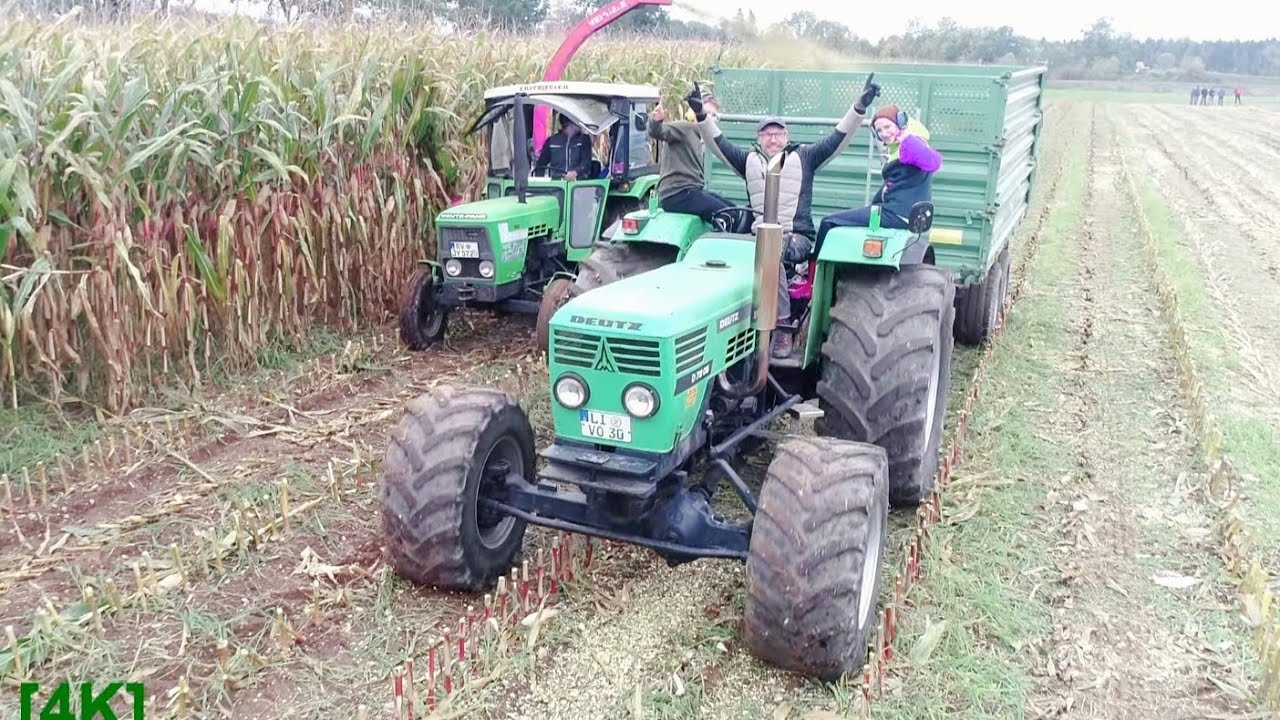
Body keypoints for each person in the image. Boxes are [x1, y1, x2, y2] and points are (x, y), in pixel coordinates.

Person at [693, 75, 881, 359]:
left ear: (786, 136)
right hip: (756, 236)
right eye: (766, 134)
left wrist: (858, 107)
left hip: (796, 237)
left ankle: (779, 326)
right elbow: (717, 142)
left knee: (772, 250)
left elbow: (838, 139)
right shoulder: (748, 161)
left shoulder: (805, 157)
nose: (772, 138)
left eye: (777, 133)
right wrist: (700, 113)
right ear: (758, 139)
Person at [814, 105, 943, 257]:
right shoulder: (896, 149)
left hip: (897, 214)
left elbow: (934, 163)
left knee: (829, 222)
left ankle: (811, 272)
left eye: (888, 127)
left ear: (901, 124)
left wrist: (907, 140)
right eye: (879, 131)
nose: (884, 134)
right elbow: (889, 187)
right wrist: (872, 208)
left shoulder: (910, 144)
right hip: (894, 211)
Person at [646, 87, 735, 226]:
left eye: (713, 115)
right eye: (707, 113)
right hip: (677, 193)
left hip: (692, 191)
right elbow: (659, 131)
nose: (710, 118)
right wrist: (656, 121)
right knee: (726, 215)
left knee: (734, 210)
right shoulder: (684, 128)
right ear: (694, 112)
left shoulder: (703, 137)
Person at [534, 116, 593, 180]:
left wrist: (576, 172)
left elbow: (586, 162)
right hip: (557, 185)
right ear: (569, 123)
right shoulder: (551, 141)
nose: (581, 124)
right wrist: (539, 183)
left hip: (578, 185)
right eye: (577, 121)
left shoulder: (584, 139)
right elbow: (541, 164)